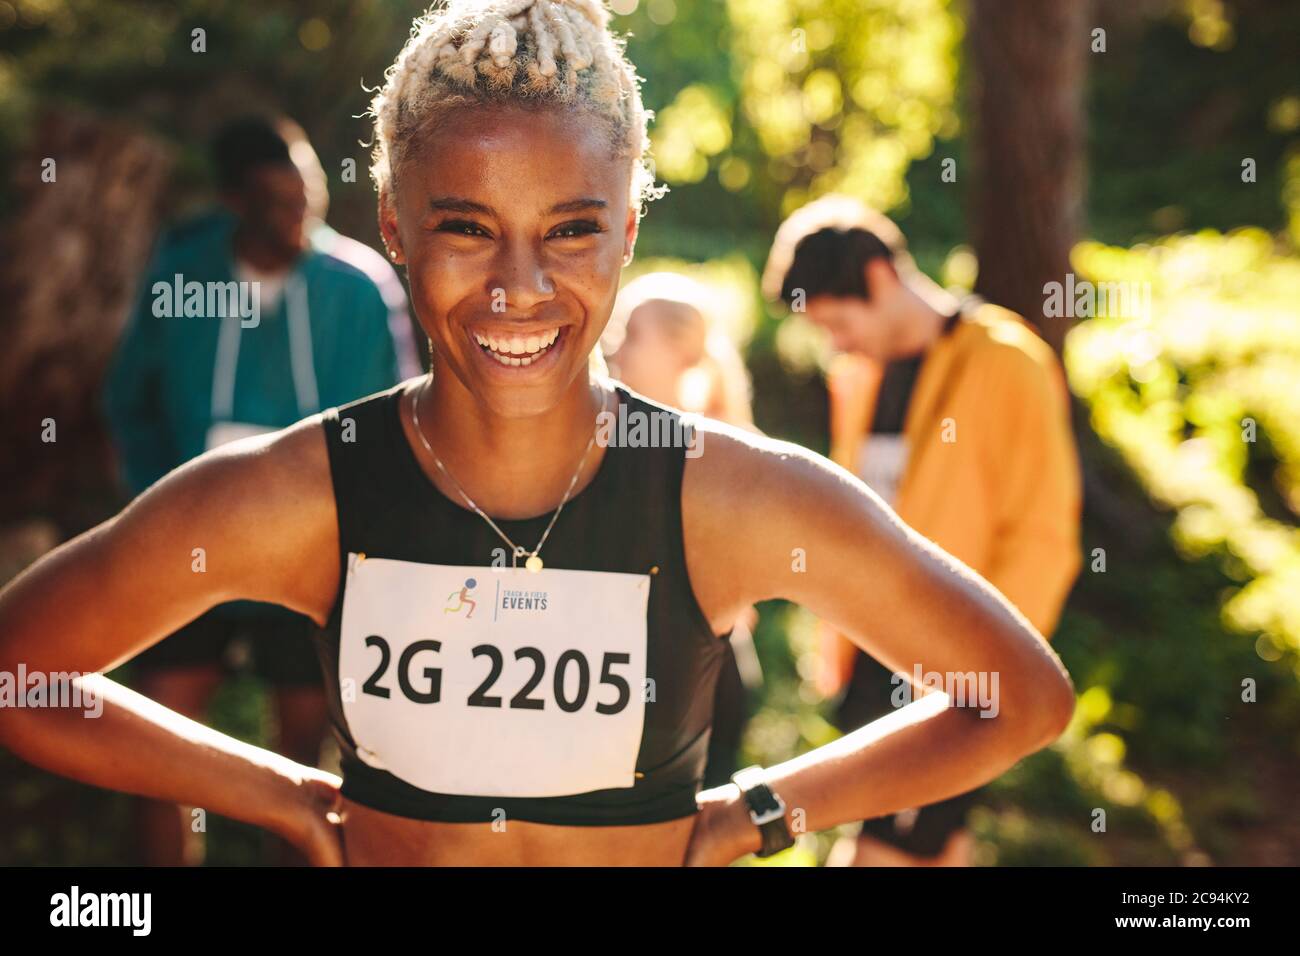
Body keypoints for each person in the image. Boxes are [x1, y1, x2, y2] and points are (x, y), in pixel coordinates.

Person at [0, 0, 1075, 867]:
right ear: (391, 224)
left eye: (571, 231)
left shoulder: (731, 493)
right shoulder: (303, 489)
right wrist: (279, 794)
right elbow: (20, 673)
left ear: (630, 230)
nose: (520, 289)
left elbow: (1017, 697)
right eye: (465, 228)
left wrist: (757, 810)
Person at [101, 114, 416, 864]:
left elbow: (396, 416)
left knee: (309, 761)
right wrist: (154, 499)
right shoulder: (182, 275)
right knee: (157, 745)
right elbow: (129, 399)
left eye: (306, 196)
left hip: (310, 550)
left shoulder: (359, 288)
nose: (298, 217)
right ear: (235, 202)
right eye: (276, 203)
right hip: (188, 542)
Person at [762, 194, 1083, 866]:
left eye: (839, 322)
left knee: (877, 849)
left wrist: (992, 677)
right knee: (933, 847)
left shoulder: (1006, 360)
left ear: (878, 277)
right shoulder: (858, 373)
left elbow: (1044, 533)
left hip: (964, 670)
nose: (835, 344)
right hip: (877, 656)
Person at [604, 271, 762, 788]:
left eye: (631, 333)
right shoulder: (611, 438)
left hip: (703, 681)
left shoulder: (724, 452)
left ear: (679, 351)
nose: (613, 349)